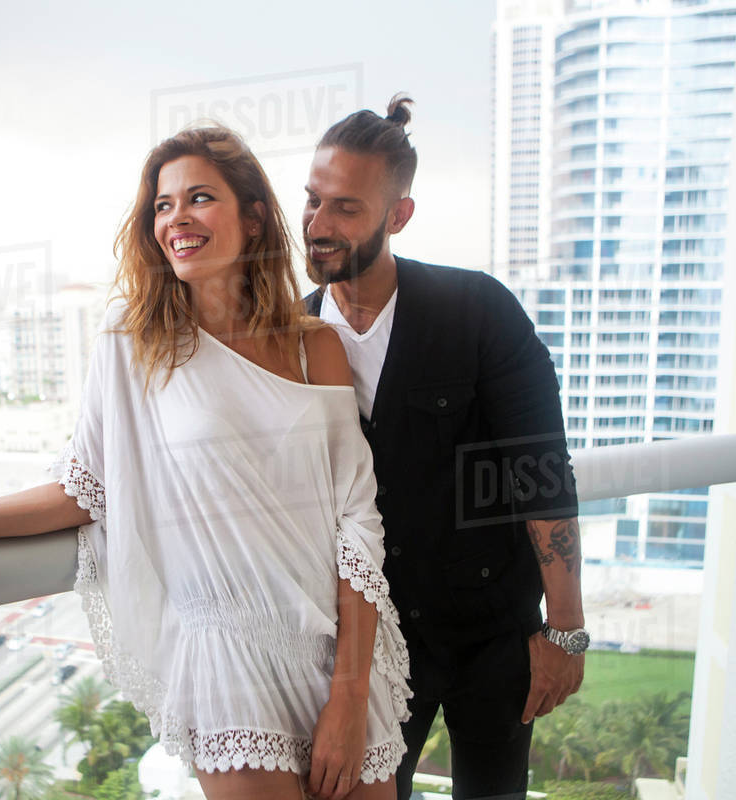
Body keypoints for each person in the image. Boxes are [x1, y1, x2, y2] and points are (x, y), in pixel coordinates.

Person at [0, 125, 411, 800]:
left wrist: (349, 692)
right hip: (226, 657)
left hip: (341, 653)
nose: (176, 218)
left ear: (251, 215)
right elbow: (82, 491)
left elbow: (355, 523)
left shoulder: (316, 347)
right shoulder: (137, 343)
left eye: (199, 198)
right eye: (162, 205)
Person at [300, 95, 588, 800]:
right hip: (371, 649)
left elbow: (542, 473)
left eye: (344, 207)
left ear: (398, 216)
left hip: (496, 639)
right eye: (311, 201)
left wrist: (566, 631)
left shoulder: (479, 312)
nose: (317, 225)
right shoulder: (291, 339)